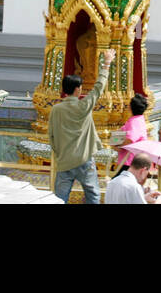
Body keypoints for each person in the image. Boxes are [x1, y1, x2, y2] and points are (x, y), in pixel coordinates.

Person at [47, 49, 115, 204]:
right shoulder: (83, 106)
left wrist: (60, 155)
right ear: (77, 89)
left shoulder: (55, 110)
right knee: (93, 195)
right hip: (84, 159)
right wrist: (107, 63)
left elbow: (51, 136)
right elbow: (98, 88)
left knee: (59, 199)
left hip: (64, 160)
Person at [115, 93, 148, 173]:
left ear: (130, 107)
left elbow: (130, 139)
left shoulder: (134, 122)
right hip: (133, 161)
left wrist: (117, 144)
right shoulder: (138, 120)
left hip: (130, 162)